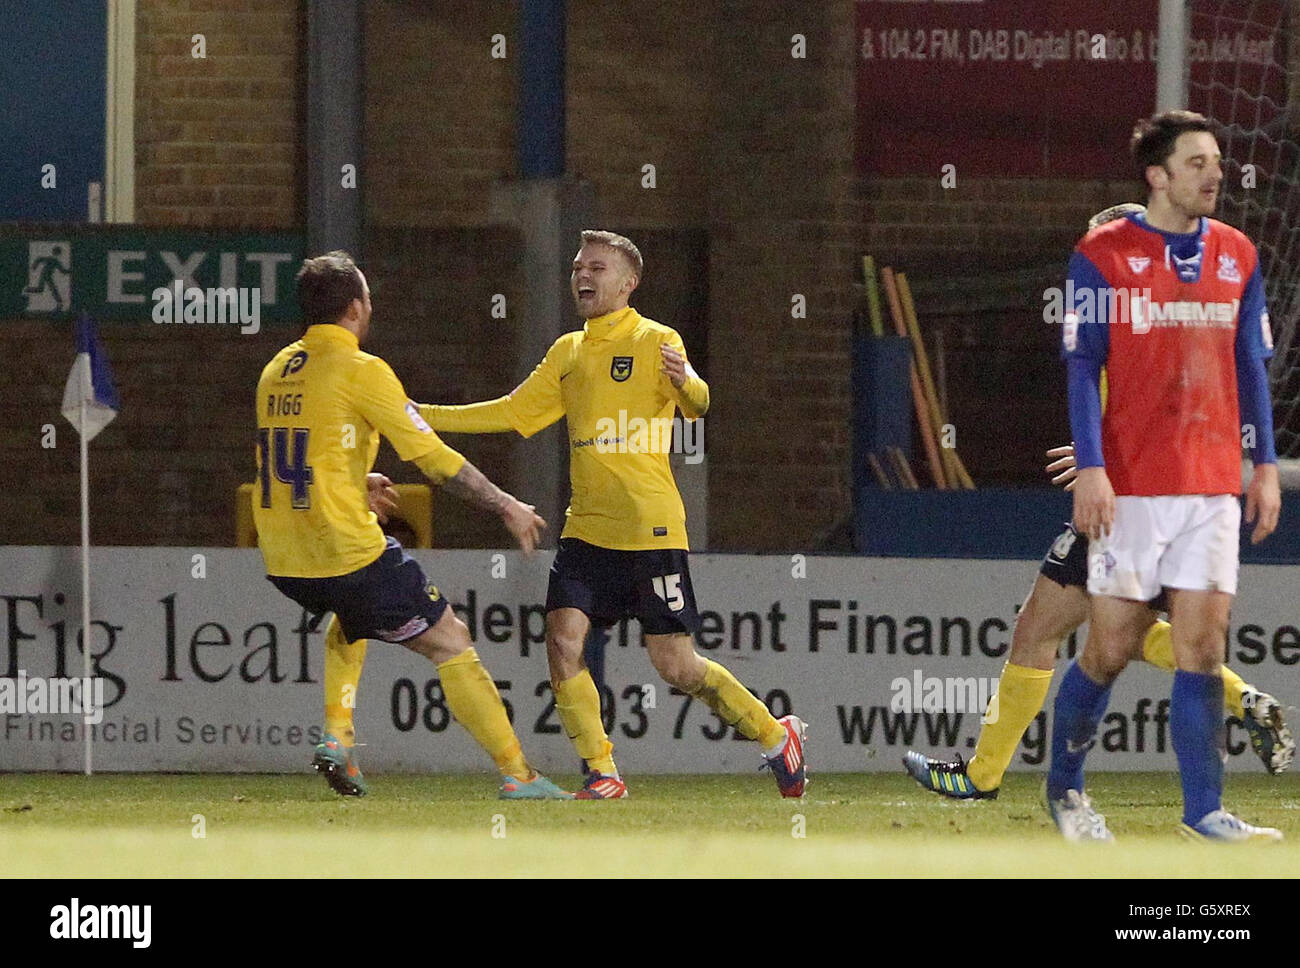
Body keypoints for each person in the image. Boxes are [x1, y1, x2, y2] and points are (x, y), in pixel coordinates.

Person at [419, 230, 807, 799]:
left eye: (597, 267)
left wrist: (687, 382)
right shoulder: (568, 353)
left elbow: (699, 402)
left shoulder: (656, 340)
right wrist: (419, 416)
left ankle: (775, 736)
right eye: (579, 266)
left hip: (650, 529)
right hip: (587, 533)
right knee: (562, 640)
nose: (583, 275)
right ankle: (603, 772)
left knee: (675, 665)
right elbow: (514, 414)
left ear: (628, 283)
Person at [254, 250, 569, 800]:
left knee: (349, 620)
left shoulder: (276, 369)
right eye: (368, 299)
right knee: (451, 641)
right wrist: (504, 505)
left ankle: (337, 739)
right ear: (355, 308)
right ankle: (520, 776)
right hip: (344, 550)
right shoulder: (363, 370)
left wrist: (359, 481)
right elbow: (434, 460)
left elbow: (303, 454)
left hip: (284, 558)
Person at [1049, 111, 1282, 842]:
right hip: (1133, 487)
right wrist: (1091, 469)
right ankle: (1066, 791)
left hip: (1212, 487)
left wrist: (1265, 465)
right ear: (1157, 176)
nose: (1215, 175)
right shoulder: (1102, 256)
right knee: (1110, 649)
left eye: (1217, 162)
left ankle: (1203, 811)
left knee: (1204, 649)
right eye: (1197, 163)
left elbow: (1252, 368)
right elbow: (1082, 367)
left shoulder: (1239, 255)